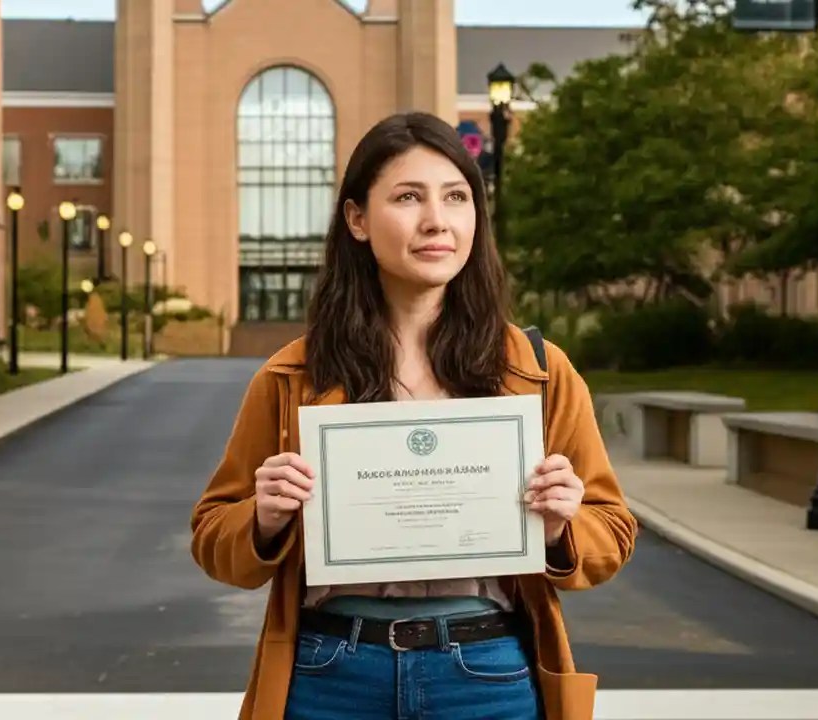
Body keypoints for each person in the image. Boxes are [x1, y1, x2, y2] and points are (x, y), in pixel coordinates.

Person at [189, 111, 637, 720]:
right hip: (332, 673)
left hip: (485, 673)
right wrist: (264, 519)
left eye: (456, 197)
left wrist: (560, 528)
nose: (437, 221)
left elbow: (611, 531)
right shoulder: (293, 376)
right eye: (407, 197)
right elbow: (214, 538)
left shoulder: (537, 369)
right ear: (357, 220)